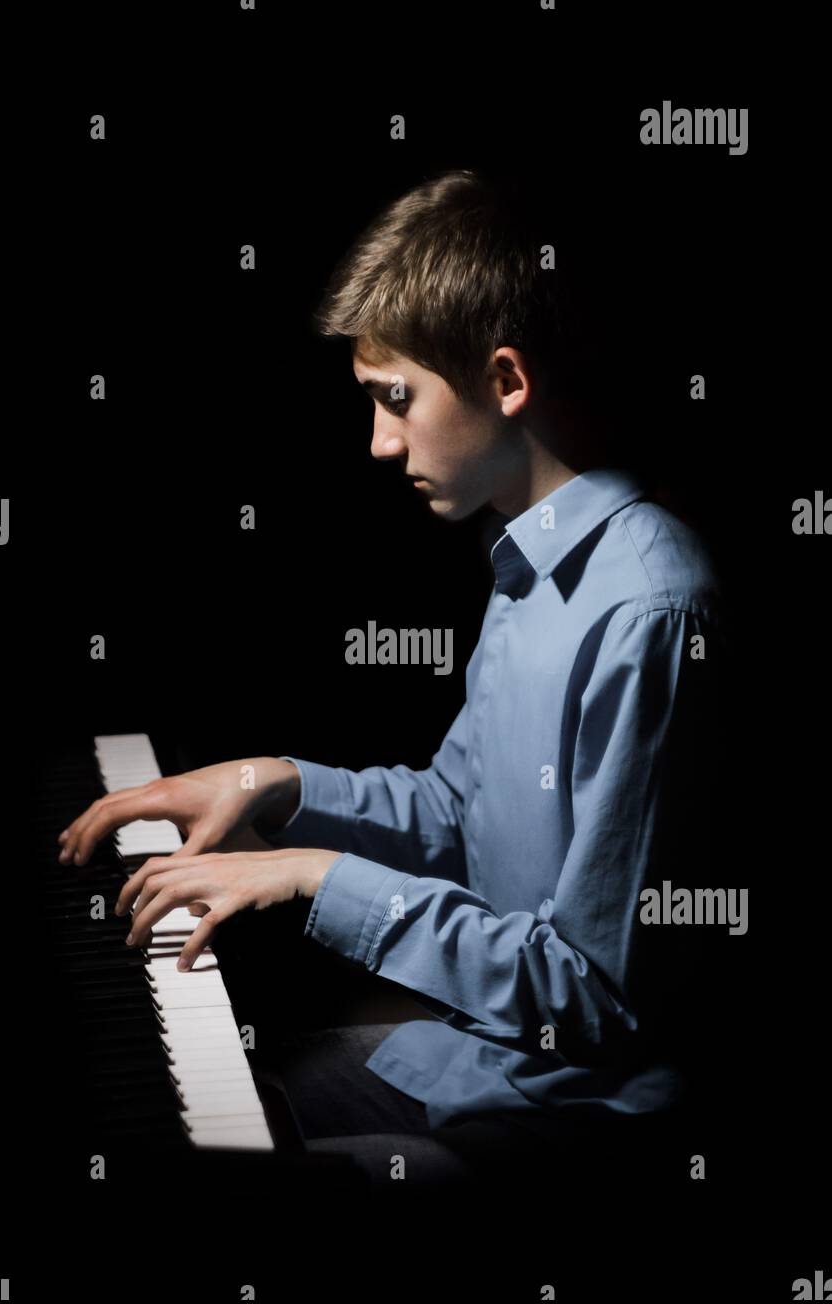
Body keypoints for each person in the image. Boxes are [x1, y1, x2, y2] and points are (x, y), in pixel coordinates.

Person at [57, 170, 726, 1193]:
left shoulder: (649, 611)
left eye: (395, 400)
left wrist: (314, 875)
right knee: (177, 1101)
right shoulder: (528, 559)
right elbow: (462, 813)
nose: (379, 442)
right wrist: (278, 782)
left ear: (504, 381)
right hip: (480, 1065)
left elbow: (594, 996)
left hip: (577, 1129)